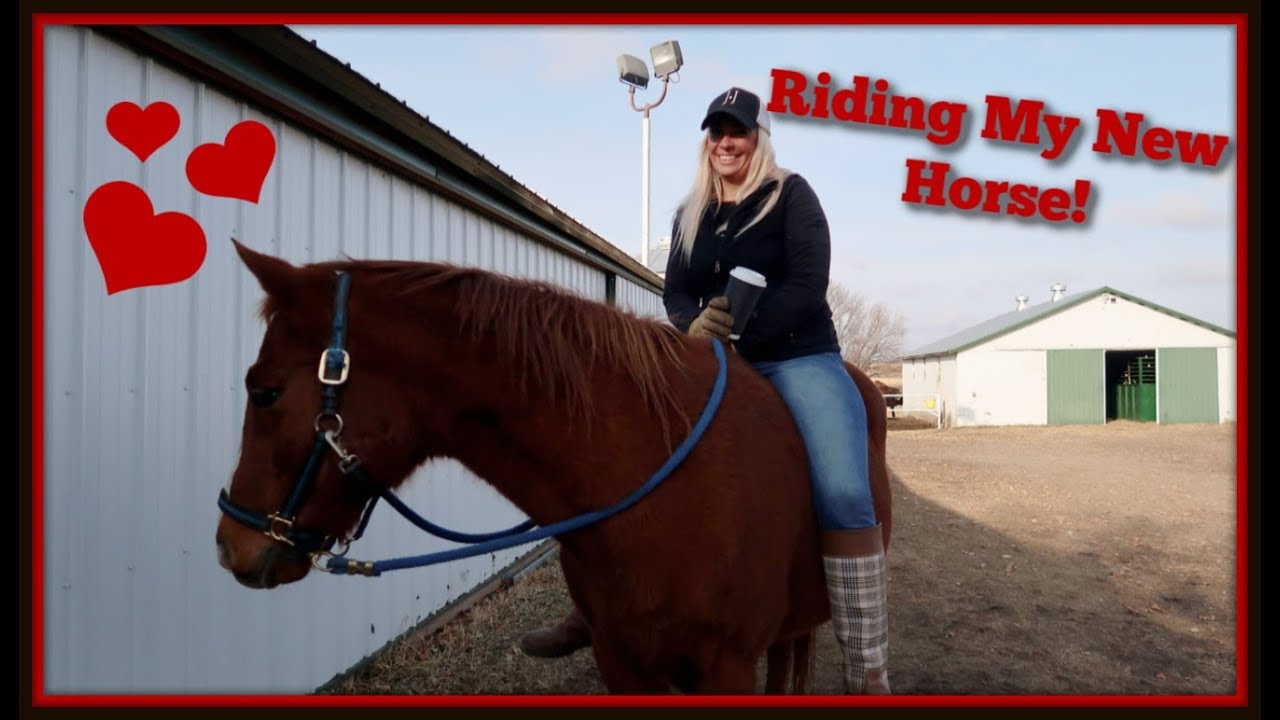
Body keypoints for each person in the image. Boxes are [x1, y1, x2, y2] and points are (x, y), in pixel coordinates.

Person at [520, 87, 890, 695]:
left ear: (758, 137)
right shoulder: (691, 211)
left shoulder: (791, 195)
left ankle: (867, 665)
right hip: (707, 356)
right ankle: (594, 611)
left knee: (847, 490)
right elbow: (676, 290)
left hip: (796, 356)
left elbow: (808, 285)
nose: (725, 141)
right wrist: (693, 326)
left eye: (737, 130)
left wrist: (743, 332)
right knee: (624, 456)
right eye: (716, 131)